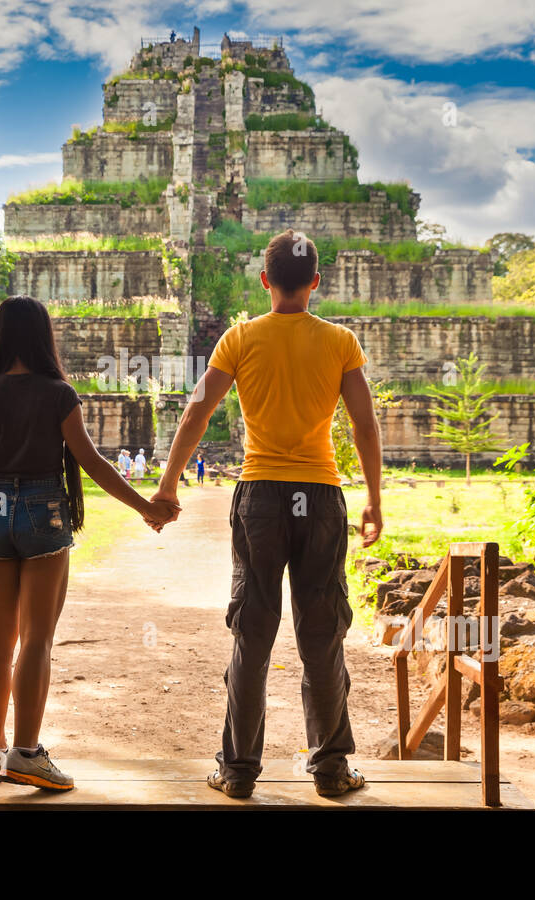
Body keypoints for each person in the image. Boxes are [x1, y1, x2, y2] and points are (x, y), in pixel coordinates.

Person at [151, 229, 384, 799]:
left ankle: (237, 773)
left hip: (259, 497)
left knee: (251, 633)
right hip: (319, 497)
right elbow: (363, 423)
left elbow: (196, 413)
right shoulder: (341, 342)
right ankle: (330, 769)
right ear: (315, 283)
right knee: (322, 632)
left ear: (265, 280)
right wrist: (375, 497)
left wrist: (167, 484)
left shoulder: (240, 337)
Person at [0, 296, 179, 791]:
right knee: (36, 639)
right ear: (42, 337)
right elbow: (92, 462)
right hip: (44, 512)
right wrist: (146, 507)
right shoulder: (59, 394)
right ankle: (27, 753)